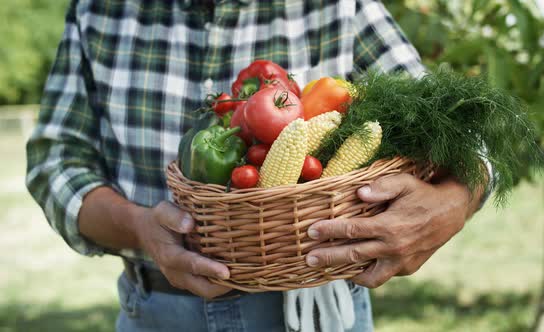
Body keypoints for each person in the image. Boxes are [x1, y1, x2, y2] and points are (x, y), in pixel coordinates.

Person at [26, 0, 488, 331]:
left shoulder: (342, 7)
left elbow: (457, 130)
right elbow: (55, 161)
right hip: (158, 311)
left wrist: (455, 201)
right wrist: (140, 227)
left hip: (312, 313)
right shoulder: (98, 11)